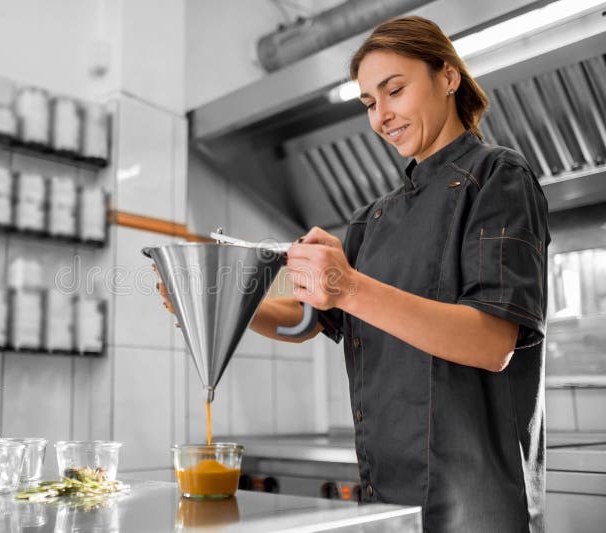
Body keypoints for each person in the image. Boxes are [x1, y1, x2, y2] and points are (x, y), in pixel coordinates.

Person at [159, 15, 549, 533]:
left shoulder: (498, 178)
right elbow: (307, 322)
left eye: (394, 90)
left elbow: (491, 342)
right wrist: (212, 303)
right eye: (368, 102)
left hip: (476, 501)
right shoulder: (373, 219)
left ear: (448, 77)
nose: (382, 115)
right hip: (385, 495)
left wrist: (348, 285)